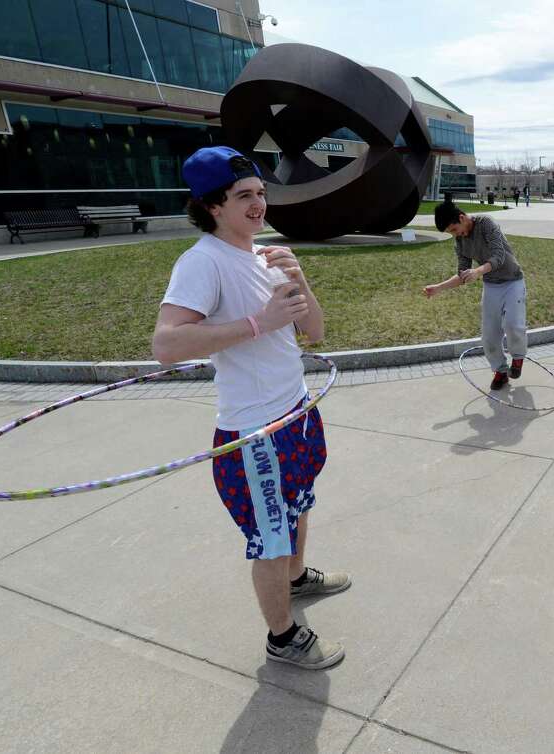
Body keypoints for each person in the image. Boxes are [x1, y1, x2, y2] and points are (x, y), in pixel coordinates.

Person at [152, 146, 351, 671]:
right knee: (271, 539)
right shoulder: (202, 263)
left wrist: (300, 280)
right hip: (255, 434)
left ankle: (296, 579)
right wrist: (258, 322)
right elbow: (167, 346)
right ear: (212, 205)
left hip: (297, 412)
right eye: (244, 196)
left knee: (300, 504)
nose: (259, 204)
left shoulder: (264, 255)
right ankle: (282, 639)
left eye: (261, 193)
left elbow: (315, 332)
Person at [423, 202, 527, 390]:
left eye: (455, 229)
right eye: (451, 233)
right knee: (488, 334)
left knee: (512, 324)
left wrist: (478, 271)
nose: (456, 235)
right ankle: (500, 372)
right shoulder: (460, 241)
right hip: (491, 286)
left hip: (513, 281)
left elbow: (499, 255)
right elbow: (462, 274)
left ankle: (518, 358)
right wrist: (439, 287)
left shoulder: (486, 223)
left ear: (462, 218)